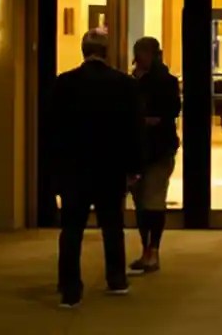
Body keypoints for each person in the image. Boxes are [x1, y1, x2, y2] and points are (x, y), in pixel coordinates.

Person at [46, 29, 144, 308]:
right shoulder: (124, 85)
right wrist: (134, 167)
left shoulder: (64, 84)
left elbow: (52, 130)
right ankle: (116, 278)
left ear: (82, 51)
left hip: (74, 169)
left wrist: (54, 170)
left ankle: (70, 289)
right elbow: (133, 130)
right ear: (106, 53)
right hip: (110, 168)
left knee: (72, 229)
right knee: (112, 225)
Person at [129, 37, 180, 275]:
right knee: (140, 203)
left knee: (153, 201)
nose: (138, 60)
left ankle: (154, 250)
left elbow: (170, 111)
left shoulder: (166, 81)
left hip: (159, 150)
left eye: (141, 54)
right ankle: (145, 249)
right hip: (138, 150)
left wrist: (147, 119)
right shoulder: (132, 81)